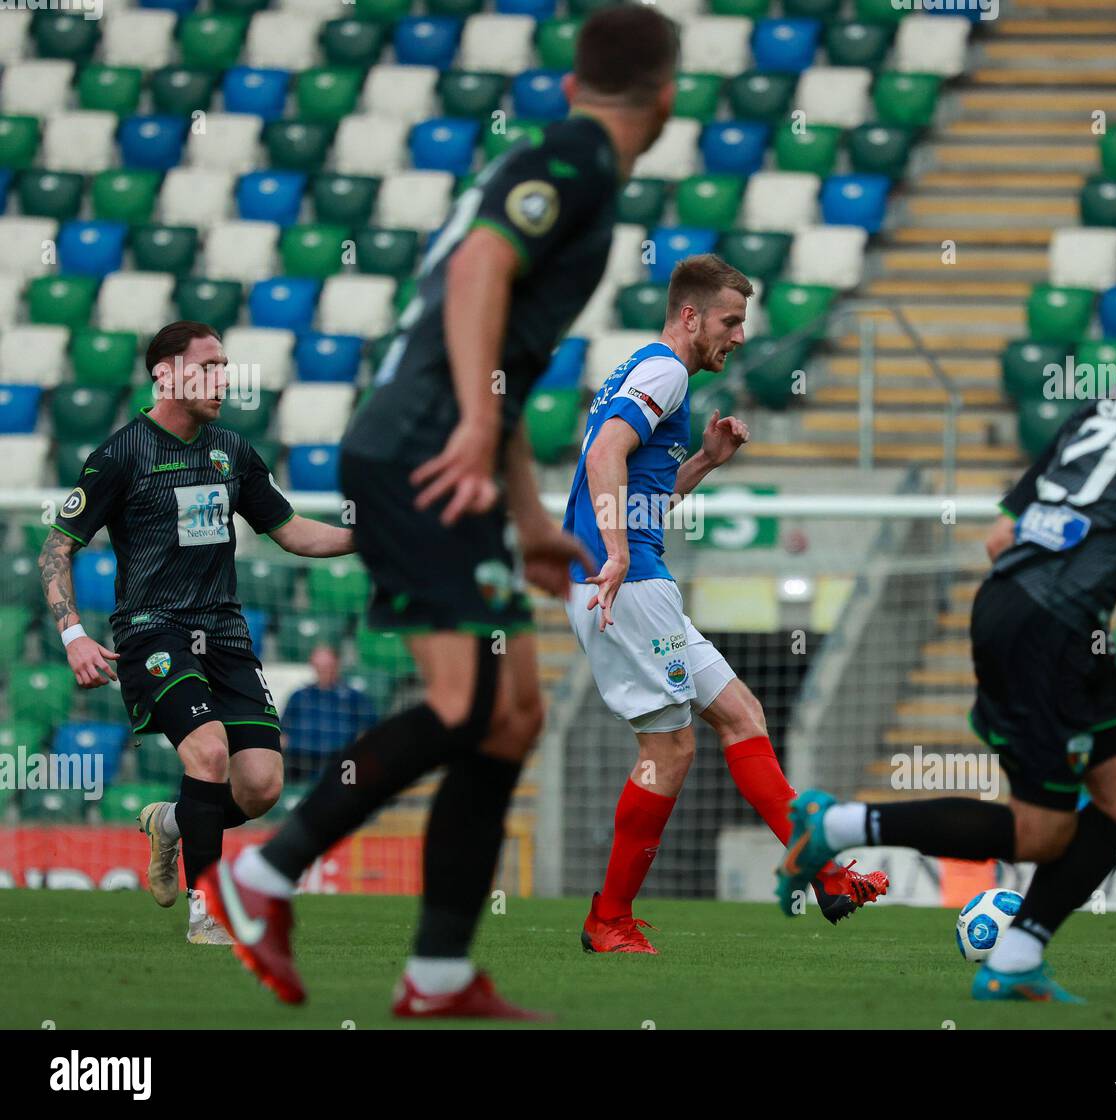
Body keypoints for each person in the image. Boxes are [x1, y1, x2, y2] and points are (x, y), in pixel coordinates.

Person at [200, 5, 682, 1019]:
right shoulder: (575, 160)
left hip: (442, 451)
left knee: (512, 716)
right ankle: (262, 875)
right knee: (467, 705)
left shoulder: (568, 162)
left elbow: (499, 362)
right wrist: (468, 420)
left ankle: (439, 974)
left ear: (572, 83)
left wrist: (530, 517)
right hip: (418, 452)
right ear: (670, 100)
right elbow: (476, 273)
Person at [776, 261, 1116, 1003]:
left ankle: (1016, 957)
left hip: (1021, 603)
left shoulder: (1106, 403)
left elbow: (1001, 535)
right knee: (1042, 832)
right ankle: (839, 824)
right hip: (1054, 623)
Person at [567, 254, 887, 953]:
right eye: (731, 321)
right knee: (669, 749)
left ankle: (826, 875)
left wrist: (705, 461)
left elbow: (642, 493)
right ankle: (608, 918)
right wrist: (616, 552)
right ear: (690, 316)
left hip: (632, 574)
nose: (740, 337)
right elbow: (603, 456)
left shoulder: (644, 371)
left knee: (742, 714)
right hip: (625, 580)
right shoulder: (667, 370)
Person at [38, 320, 355, 944]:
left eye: (224, 367)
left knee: (261, 786)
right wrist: (73, 633)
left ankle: (173, 822)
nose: (222, 379)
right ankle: (206, 910)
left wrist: (371, 539)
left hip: (226, 636)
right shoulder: (120, 454)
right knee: (209, 753)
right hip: (153, 632)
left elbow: (293, 533)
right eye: (208, 367)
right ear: (166, 374)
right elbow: (56, 547)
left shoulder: (232, 450)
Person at [280, 645, 378, 782]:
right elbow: (282, 735)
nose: (323, 671)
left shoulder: (354, 698)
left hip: (339, 762)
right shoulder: (299, 696)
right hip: (299, 762)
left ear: (337, 665)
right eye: (319, 666)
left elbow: (368, 733)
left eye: (327, 666)